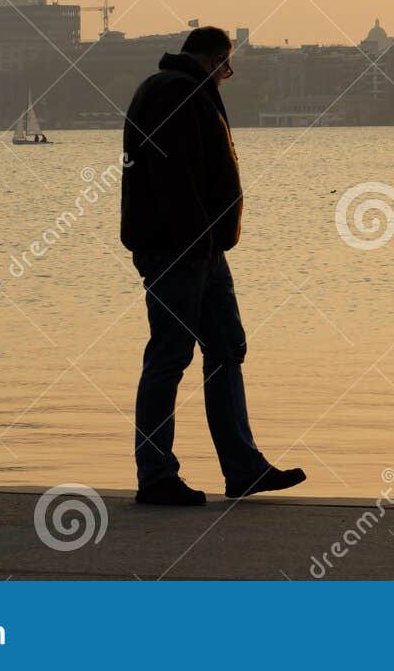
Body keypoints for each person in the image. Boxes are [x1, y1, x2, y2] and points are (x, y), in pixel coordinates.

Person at [121, 25, 307, 505]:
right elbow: (173, 176)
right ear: (215, 60)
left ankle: (243, 467)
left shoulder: (177, 88)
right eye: (228, 65)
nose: (229, 75)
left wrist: (207, 241)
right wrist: (197, 239)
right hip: (180, 250)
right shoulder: (176, 92)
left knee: (225, 348)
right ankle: (156, 475)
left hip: (200, 249)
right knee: (170, 355)